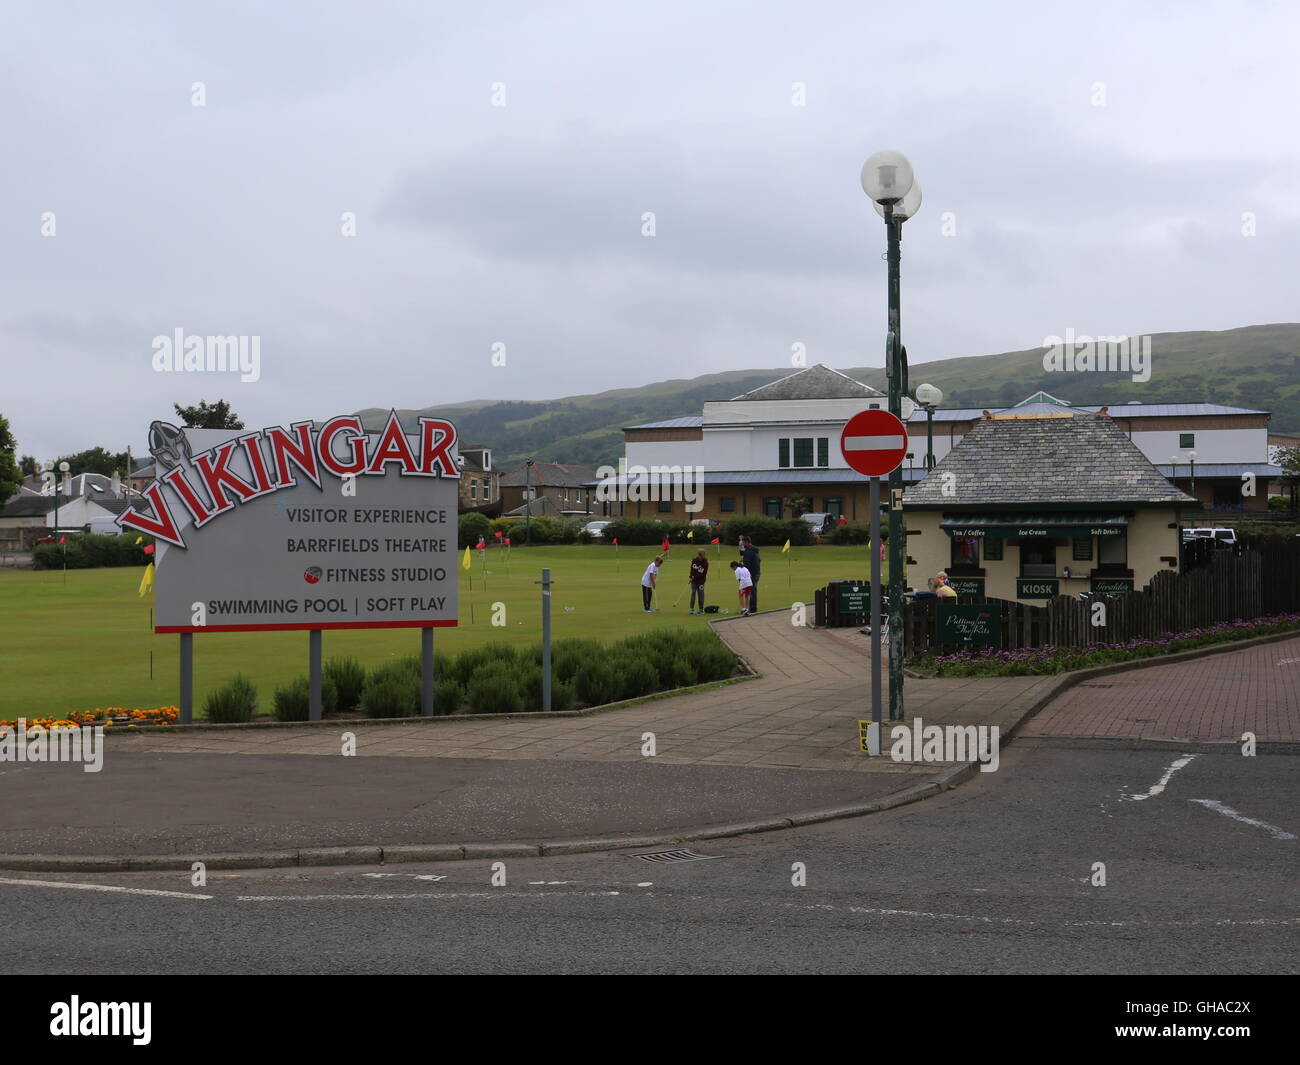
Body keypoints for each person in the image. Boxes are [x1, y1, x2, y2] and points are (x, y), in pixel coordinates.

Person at [739, 535, 761, 613]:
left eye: (743, 542)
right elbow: (759, 560)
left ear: (747, 542)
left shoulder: (749, 551)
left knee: (751, 590)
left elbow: (747, 563)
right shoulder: (754, 550)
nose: (743, 544)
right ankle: (753, 607)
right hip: (756, 572)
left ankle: (752, 608)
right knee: (753, 590)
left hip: (751, 573)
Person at [688, 549, 709, 614]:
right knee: (693, 593)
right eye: (701, 556)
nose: (703, 557)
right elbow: (692, 569)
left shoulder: (705, 562)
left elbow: (702, 573)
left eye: (703, 556)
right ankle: (692, 609)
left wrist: (694, 577)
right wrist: (691, 576)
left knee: (701, 595)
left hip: (701, 581)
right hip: (693, 581)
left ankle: (701, 609)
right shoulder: (694, 560)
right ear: (699, 555)